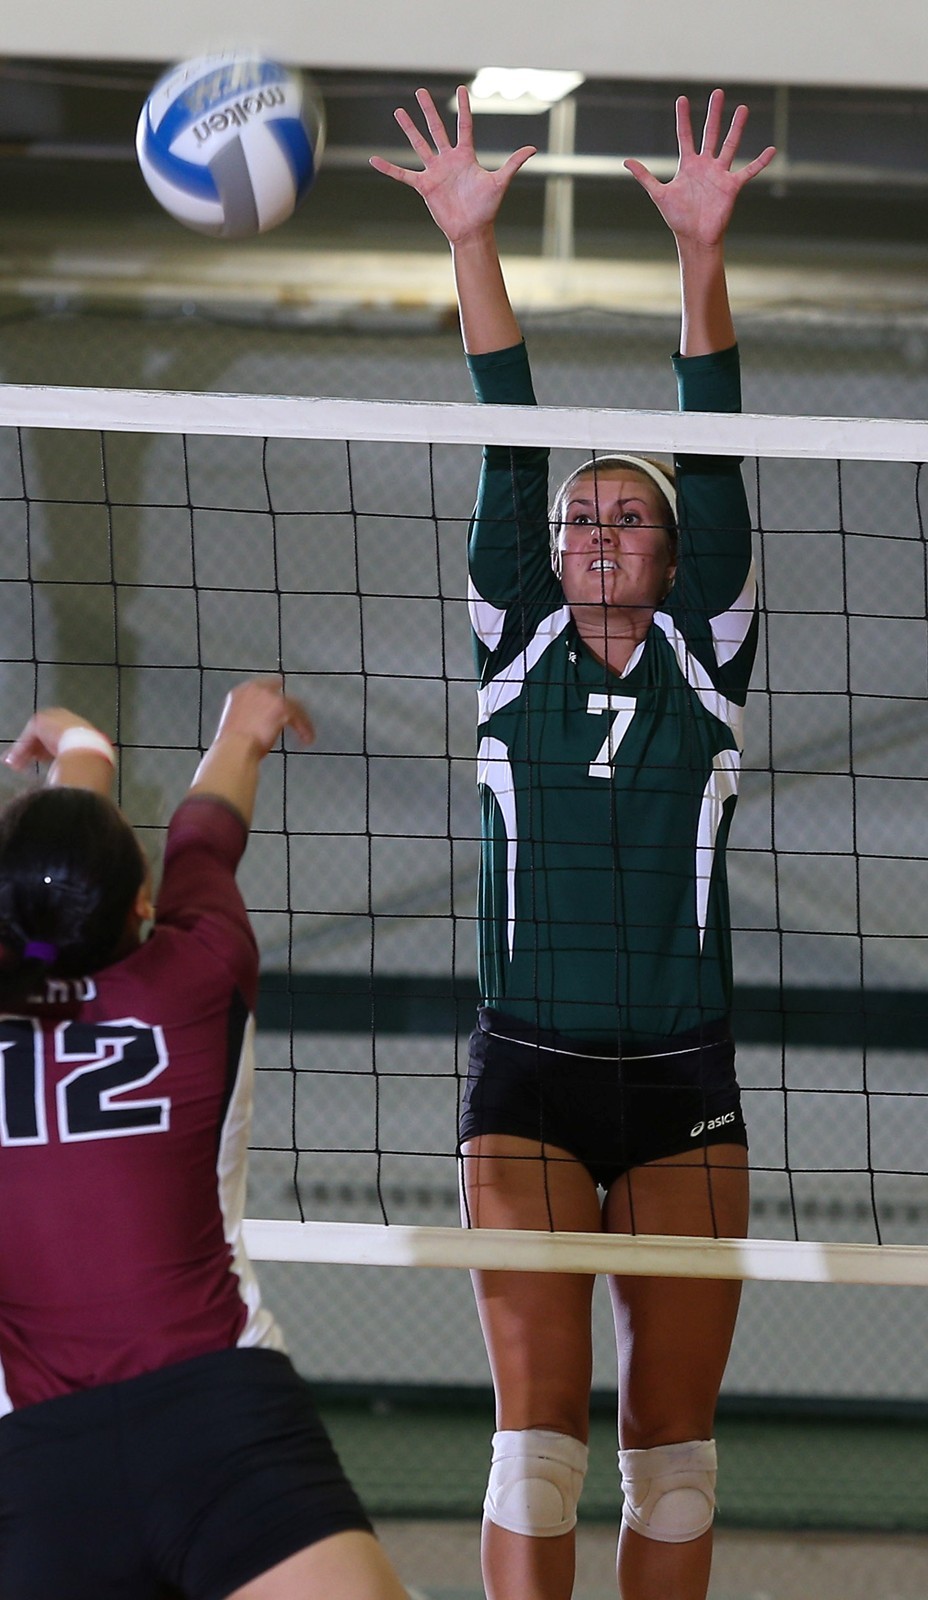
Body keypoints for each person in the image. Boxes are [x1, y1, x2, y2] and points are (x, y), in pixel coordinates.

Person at [372, 87, 774, 1600]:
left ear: (675, 561)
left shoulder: (707, 665)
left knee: (672, 1455)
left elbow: (719, 445)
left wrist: (700, 254)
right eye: (582, 517)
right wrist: (472, 241)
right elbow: (507, 434)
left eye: (632, 518)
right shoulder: (513, 649)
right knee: (534, 1441)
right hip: (527, 1077)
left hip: (686, 1087)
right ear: (550, 554)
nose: (599, 528)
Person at [0, 679, 408, 1600]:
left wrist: (85, 756)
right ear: (142, 907)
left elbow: (50, 902)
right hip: (219, 1425)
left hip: (39, 1461)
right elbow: (203, 837)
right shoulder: (198, 973)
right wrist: (242, 726)